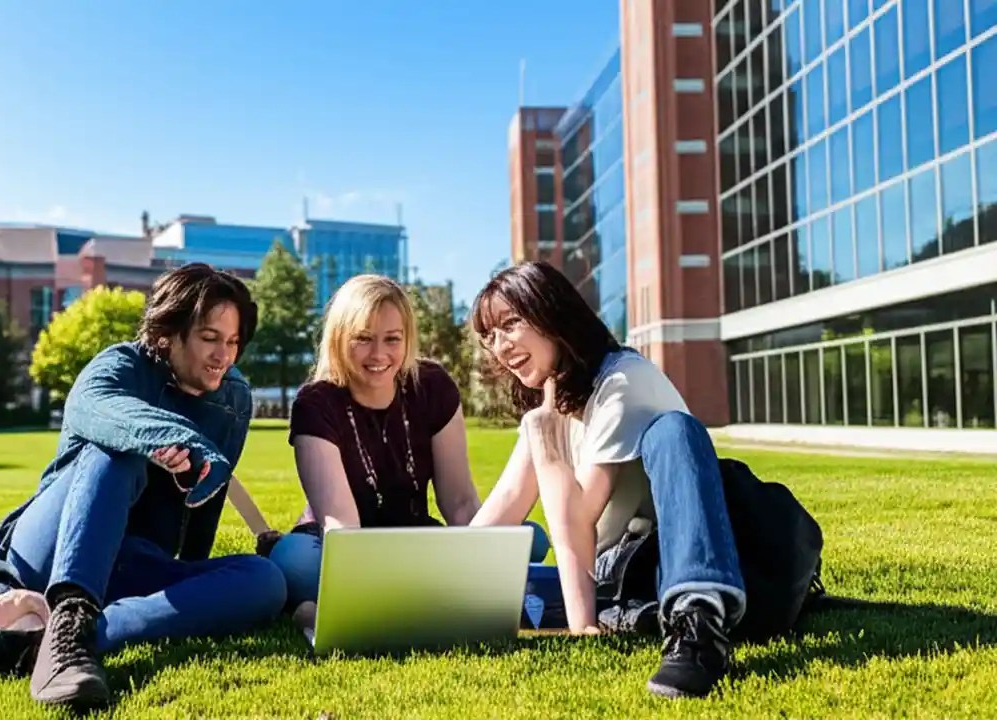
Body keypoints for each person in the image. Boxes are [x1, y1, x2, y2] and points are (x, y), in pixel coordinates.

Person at [0, 264, 287, 710]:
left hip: (132, 566)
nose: (223, 356)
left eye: (232, 342)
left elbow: (205, 503)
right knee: (119, 451)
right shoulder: (120, 365)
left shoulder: (233, 397)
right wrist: (167, 438)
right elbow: (92, 404)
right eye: (210, 338)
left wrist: (196, 579)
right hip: (51, 554)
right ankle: (68, 622)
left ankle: (47, 637)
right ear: (169, 334)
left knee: (265, 580)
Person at [468, 261, 746, 700]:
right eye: (491, 336)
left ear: (551, 312)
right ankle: (636, 614)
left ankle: (698, 624)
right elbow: (503, 506)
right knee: (490, 596)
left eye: (511, 325)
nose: (500, 347)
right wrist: (441, 577)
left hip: (665, 560)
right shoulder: (551, 401)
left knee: (672, 428)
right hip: (612, 575)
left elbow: (579, 521)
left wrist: (582, 627)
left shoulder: (622, 381)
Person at [268, 275, 547, 619]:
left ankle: (342, 601)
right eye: (363, 339)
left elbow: (459, 502)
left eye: (392, 339)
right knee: (293, 563)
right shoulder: (315, 403)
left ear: (407, 339)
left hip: (413, 533)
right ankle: (417, 590)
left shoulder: (432, 386)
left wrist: (484, 546)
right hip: (336, 543)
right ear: (339, 339)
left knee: (531, 539)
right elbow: (341, 525)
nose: (379, 354)